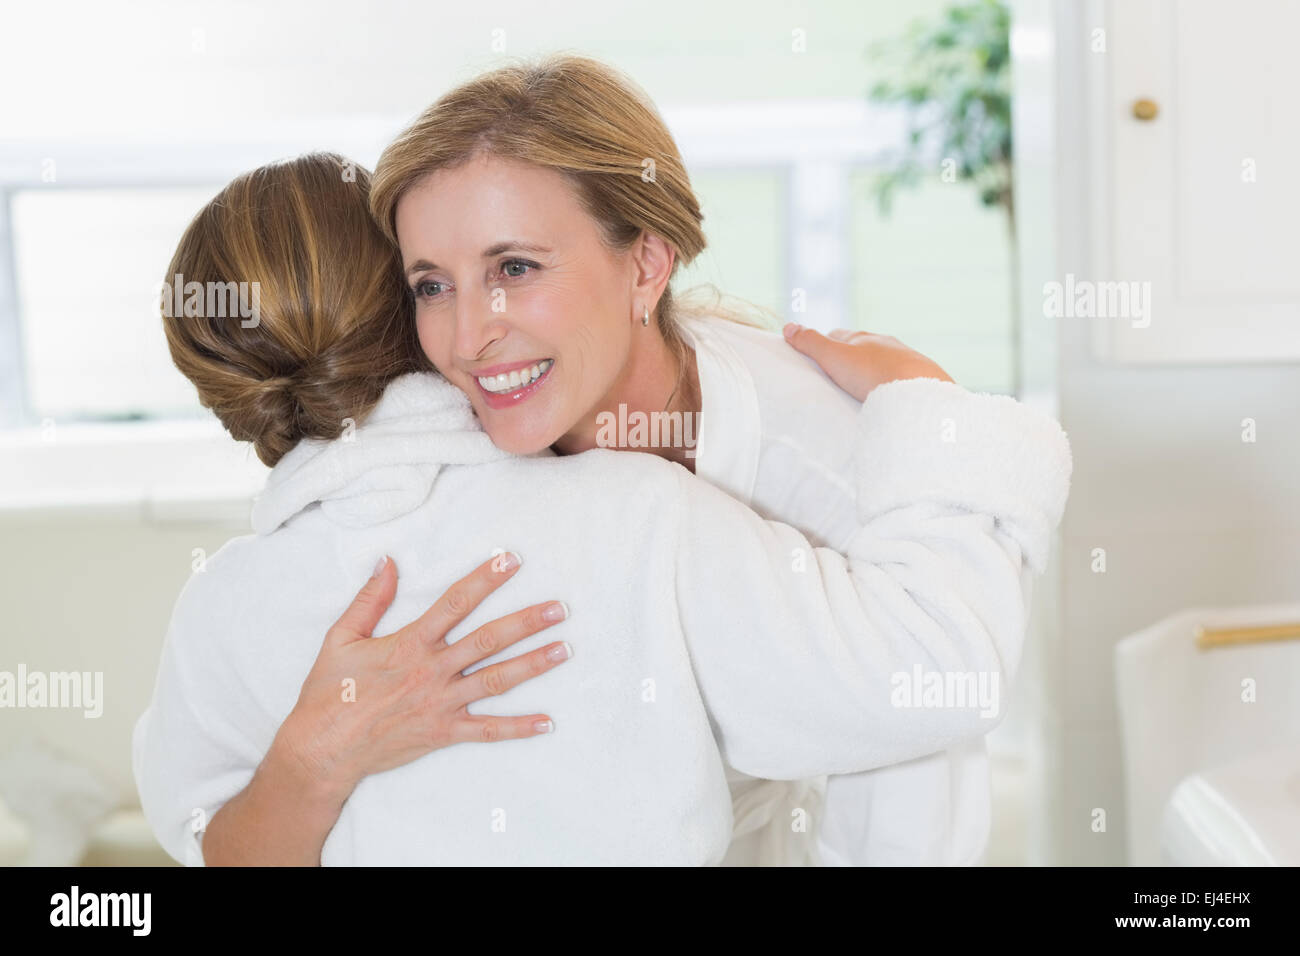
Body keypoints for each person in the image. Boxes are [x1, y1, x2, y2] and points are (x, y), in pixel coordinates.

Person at [132, 152, 1072, 865]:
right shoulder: (640, 519)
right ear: (407, 304)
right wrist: (932, 410)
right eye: (434, 279)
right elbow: (925, 684)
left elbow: (212, 844)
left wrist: (304, 767)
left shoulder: (221, 609)